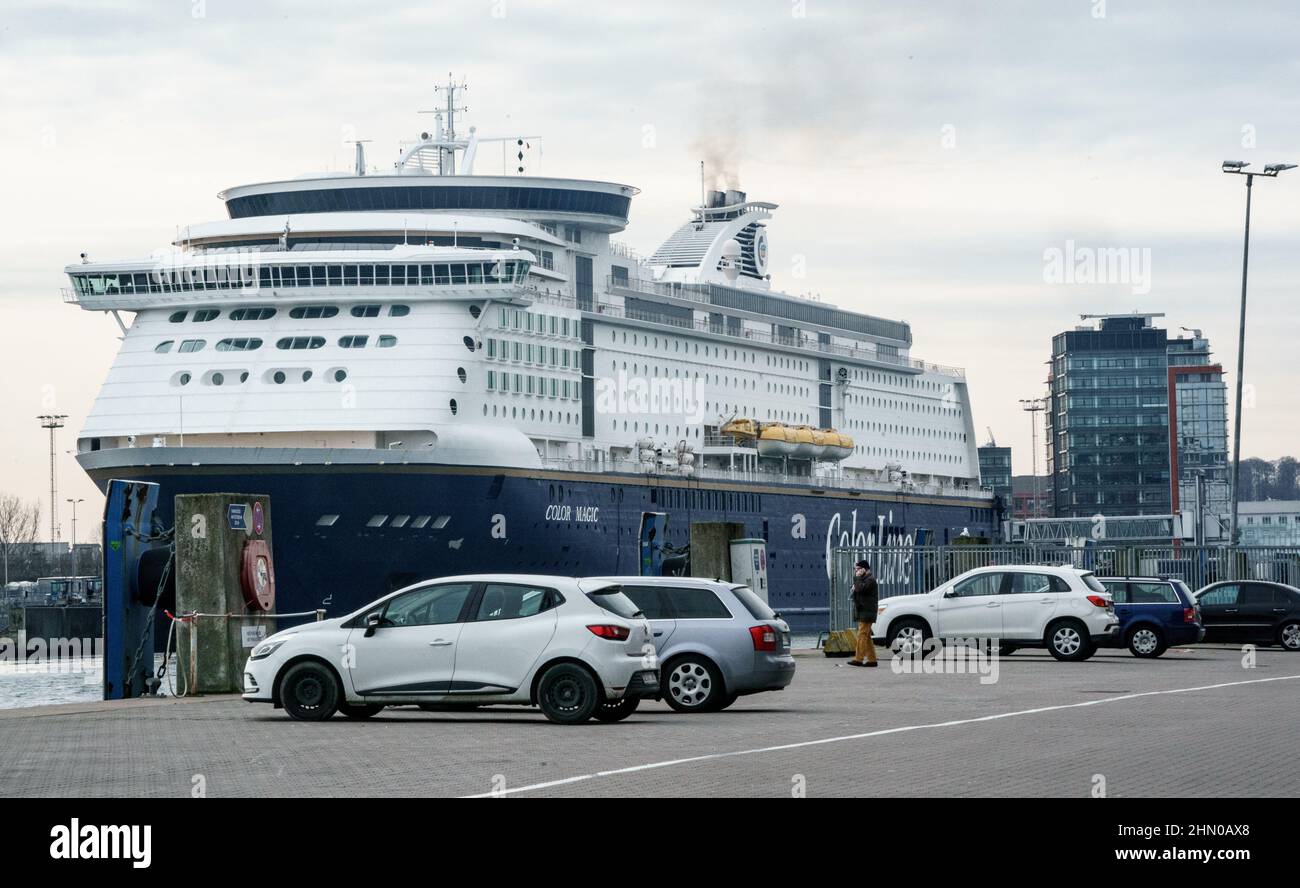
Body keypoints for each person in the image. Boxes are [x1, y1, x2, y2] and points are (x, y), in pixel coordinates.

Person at [848, 559, 879, 667]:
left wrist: (857, 578)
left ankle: (858, 659)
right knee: (867, 636)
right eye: (855, 569)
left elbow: (861, 589)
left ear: (864, 569)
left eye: (858, 569)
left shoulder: (870, 580)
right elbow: (857, 590)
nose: (856, 571)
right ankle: (872, 660)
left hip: (867, 612)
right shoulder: (863, 579)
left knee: (862, 634)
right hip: (864, 611)